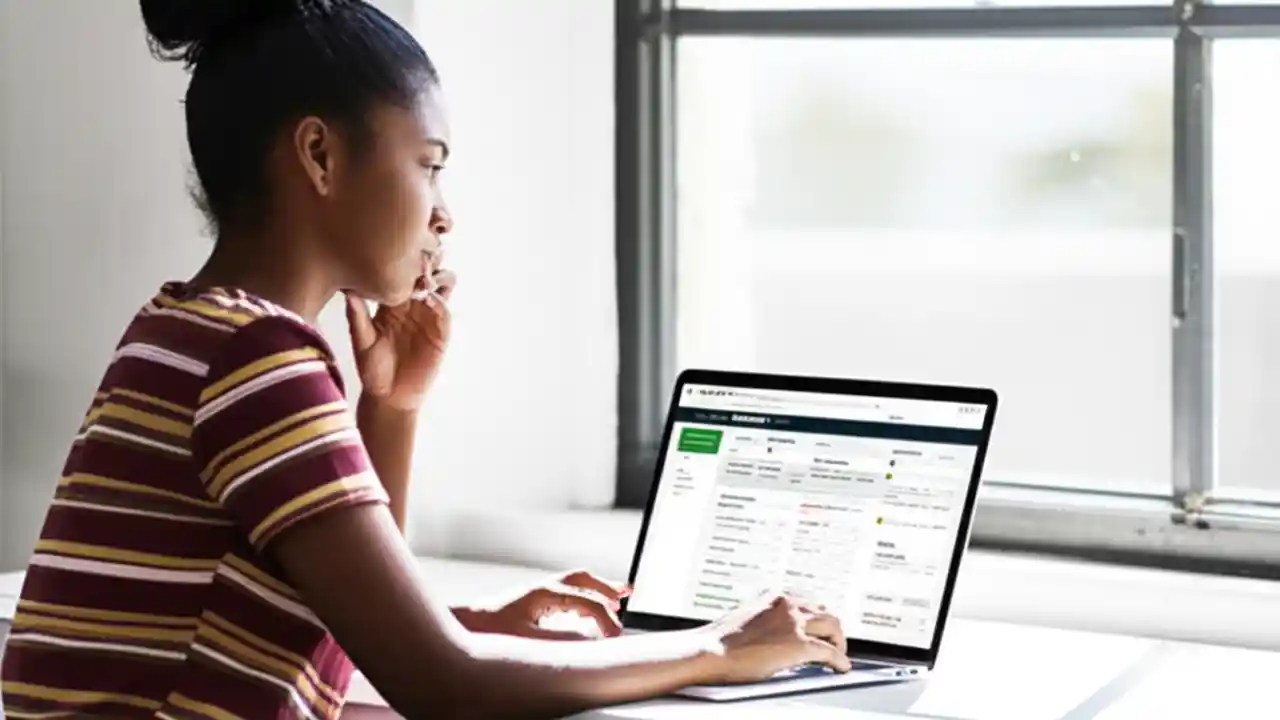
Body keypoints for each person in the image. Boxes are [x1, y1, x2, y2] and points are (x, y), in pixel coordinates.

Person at [0, 1, 852, 717]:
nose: (444, 215)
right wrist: (716, 648)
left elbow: (342, 618)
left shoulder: (182, 330)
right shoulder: (259, 360)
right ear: (320, 156)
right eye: (429, 166)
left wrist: (394, 409)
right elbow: (441, 685)